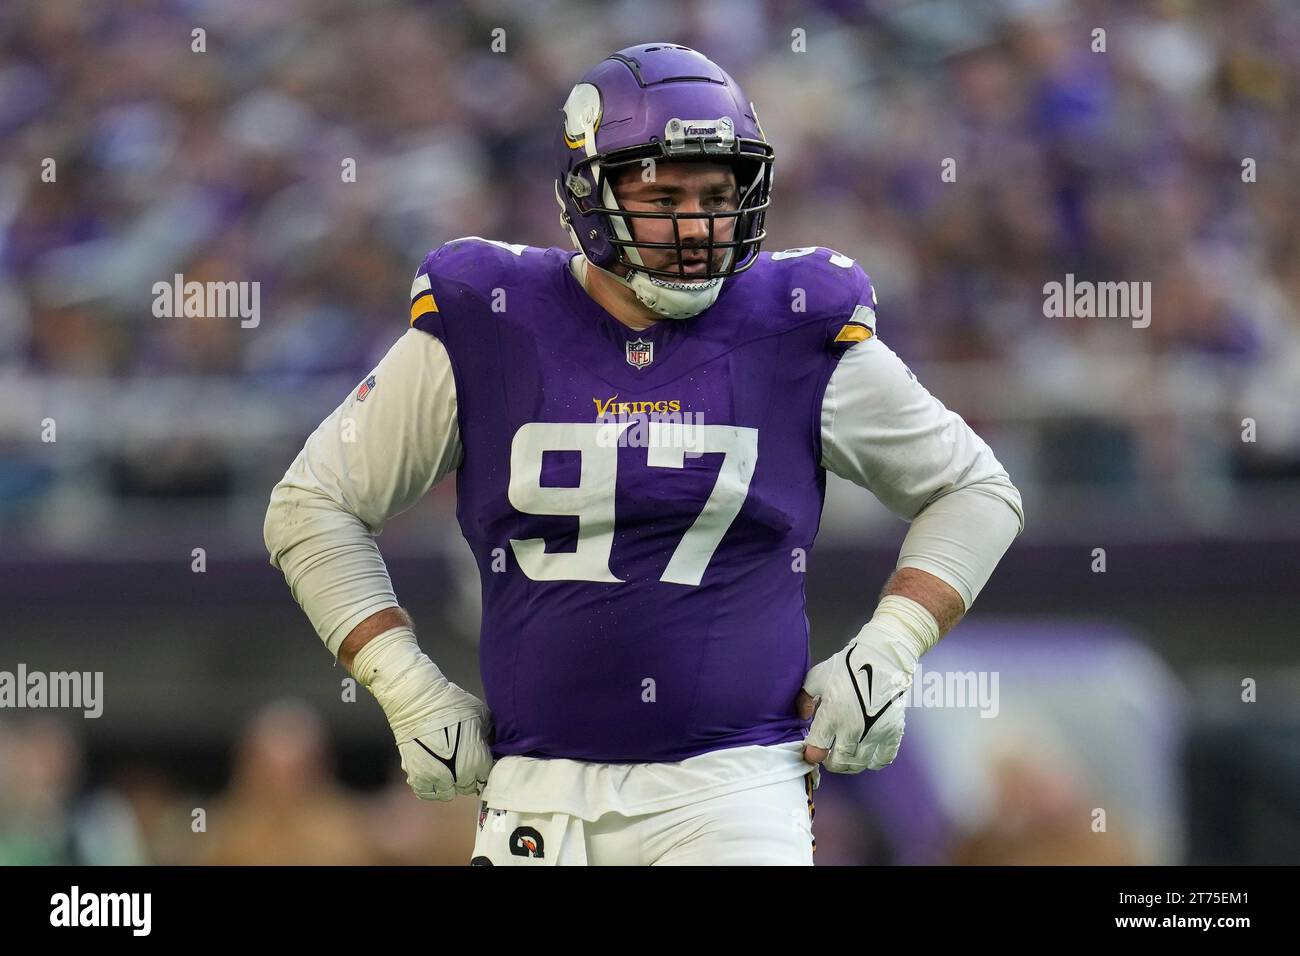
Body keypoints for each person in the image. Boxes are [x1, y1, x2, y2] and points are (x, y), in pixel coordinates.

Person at [264, 42, 1024, 866]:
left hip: (733, 786)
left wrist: (890, 647)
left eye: (715, 195)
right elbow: (312, 506)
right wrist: (403, 684)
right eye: (664, 196)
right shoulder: (490, 316)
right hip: (535, 791)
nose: (696, 228)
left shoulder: (794, 322)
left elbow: (975, 488)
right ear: (589, 196)